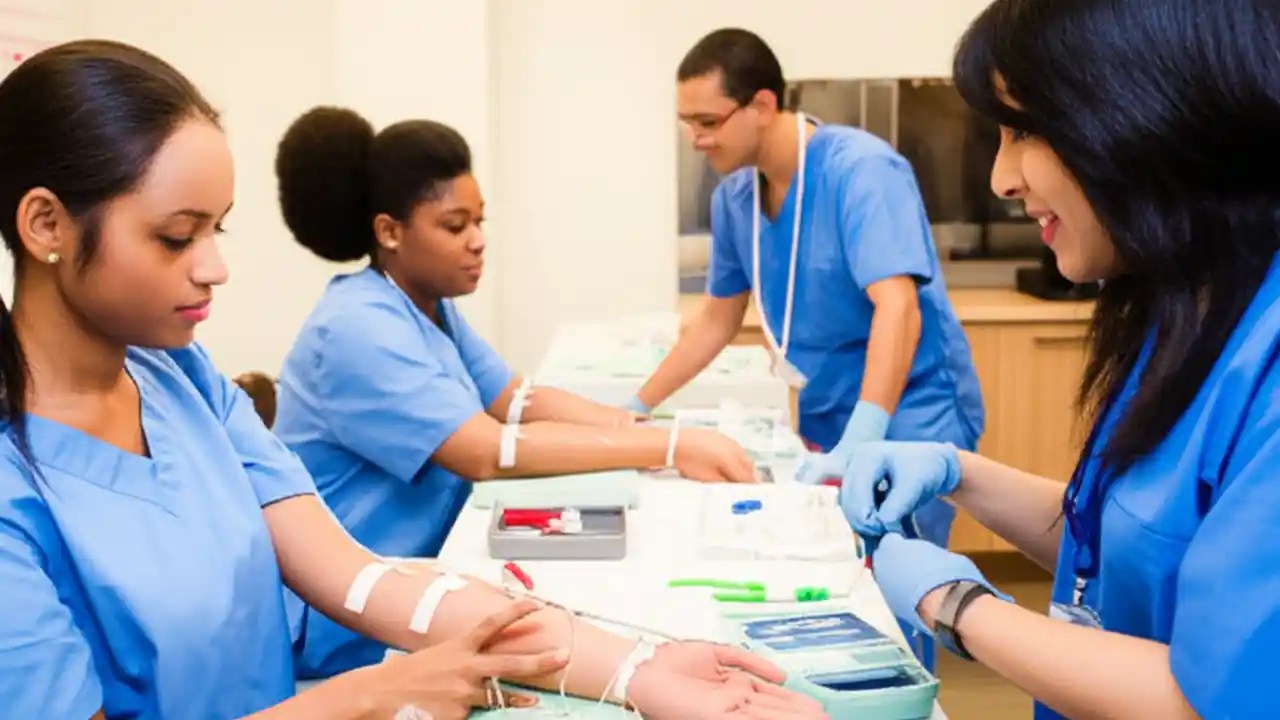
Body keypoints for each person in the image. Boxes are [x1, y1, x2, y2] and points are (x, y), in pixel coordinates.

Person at [0, 39, 828, 720]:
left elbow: (359, 575)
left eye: (217, 230)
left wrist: (637, 668)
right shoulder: (16, 483)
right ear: (45, 224)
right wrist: (373, 694)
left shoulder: (181, 381)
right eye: (176, 238)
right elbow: (480, 451)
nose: (216, 269)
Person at [832, 1, 1280, 718]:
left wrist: (955, 605)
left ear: (1159, 109)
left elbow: (1205, 701)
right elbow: (1120, 550)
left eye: (1025, 129)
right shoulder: (1187, 307)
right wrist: (957, 472)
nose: (1000, 180)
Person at [270, 107, 762, 679]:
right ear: (389, 232)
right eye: (455, 226)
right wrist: (668, 448)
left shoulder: (427, 307)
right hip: (349, 615)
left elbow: (518, 400)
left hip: (430, 570)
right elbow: (487, 450)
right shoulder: (356, 327)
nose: (478, 242)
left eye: (480, 222)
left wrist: (641, 429)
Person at [628, 28, 984, 550]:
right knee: (835, 565)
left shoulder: (861, 171)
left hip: (910, 411)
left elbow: (898, 306)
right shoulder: (735, 199)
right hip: (826, 410)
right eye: (687, 125)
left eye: (709, 122)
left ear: (764, 105)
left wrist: (866, 431)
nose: (697, 139)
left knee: (902, 581)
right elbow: (716, 321)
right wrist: (636, 407)